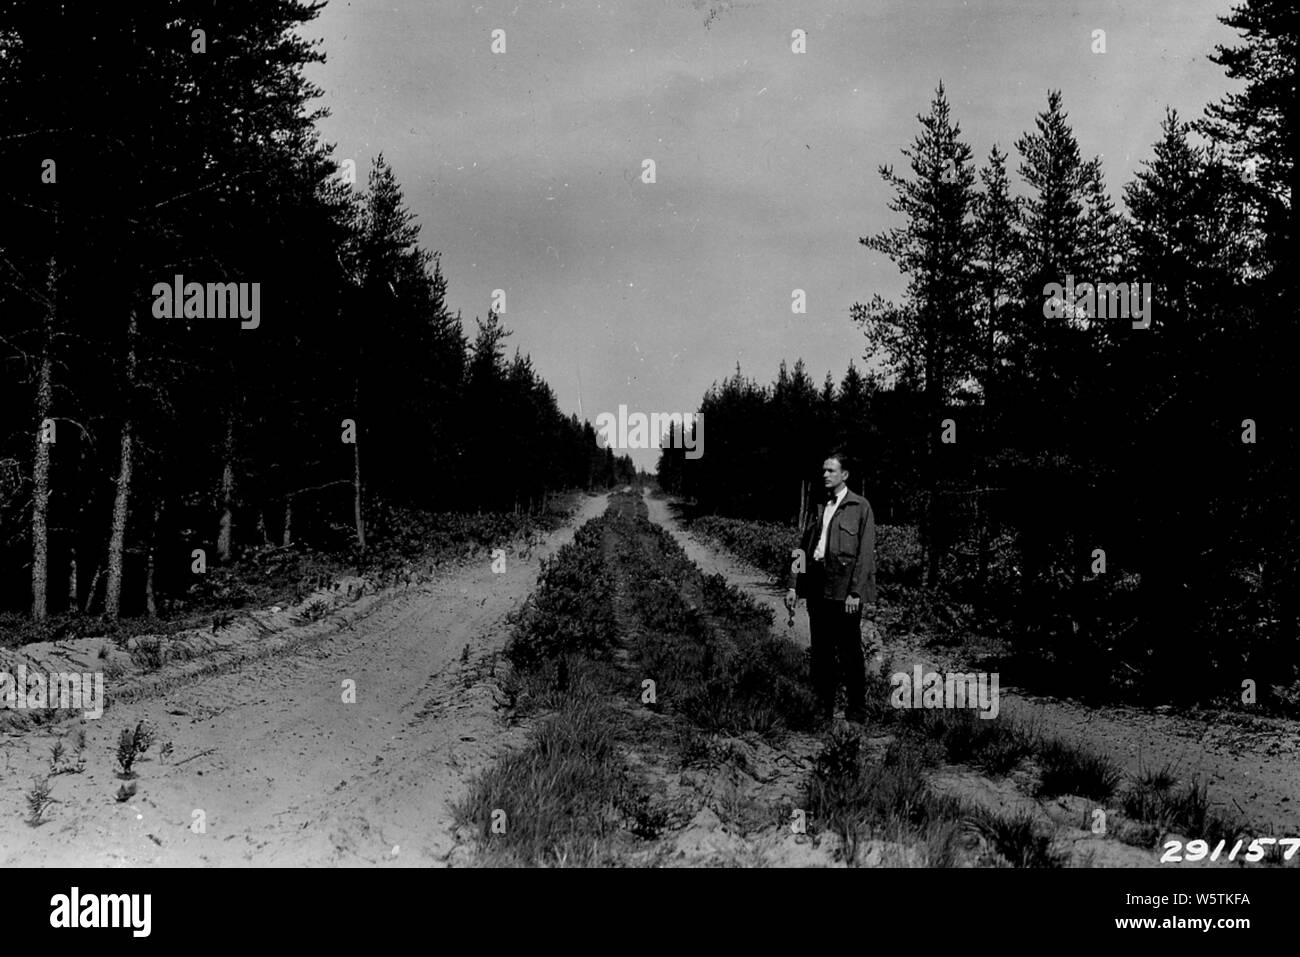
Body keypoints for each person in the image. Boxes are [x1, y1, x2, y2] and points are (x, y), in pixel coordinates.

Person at [784, 451, 877, 725]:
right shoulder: (818, 505)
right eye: (823, 470)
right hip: (817, 586)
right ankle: (821, 711)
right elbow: (802, 549)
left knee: (849, 652)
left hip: (844, 589)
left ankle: (856, 711)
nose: (825, 475)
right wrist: (793, 586)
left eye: (831, 471)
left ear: (844, 475)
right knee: (821, 651)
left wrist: (856, 592)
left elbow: (865, 554)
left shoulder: (861, 507)